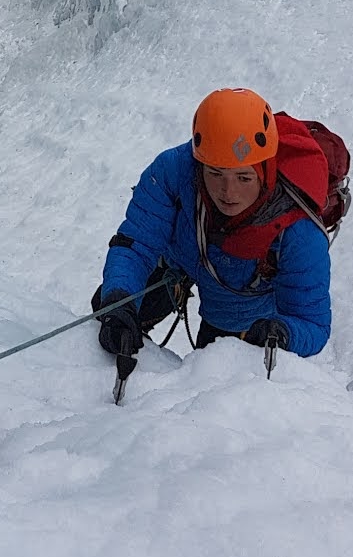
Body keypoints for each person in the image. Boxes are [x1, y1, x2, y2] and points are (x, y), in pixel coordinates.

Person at [95, 88, 332, 368]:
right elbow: (136, 245)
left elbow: (311, 323)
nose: (228, 192)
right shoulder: (172, 172)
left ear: (266, 169)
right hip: (179, 258)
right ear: (199, 163)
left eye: (243, 177)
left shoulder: (297, 228)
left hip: (238, 295)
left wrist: (281, 333)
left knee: (214, 366)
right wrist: (120, 299)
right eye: (215, 173)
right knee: (109, 312)